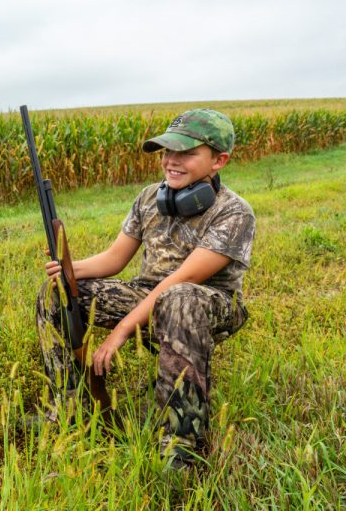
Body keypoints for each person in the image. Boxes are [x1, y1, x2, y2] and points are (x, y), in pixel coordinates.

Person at [36, 109, 255, 468]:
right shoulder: (149, 197)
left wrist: (121, 331)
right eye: (167, 151)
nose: (171, 161)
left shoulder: (235, 213)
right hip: (148, 293)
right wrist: (68, 266)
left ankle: (181, 444)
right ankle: (67, 408)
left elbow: (181, 280)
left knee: (178, 299)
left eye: (186, 153)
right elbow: (114, 259)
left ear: (219, 160)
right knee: (58, 292)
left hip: (206, 302)